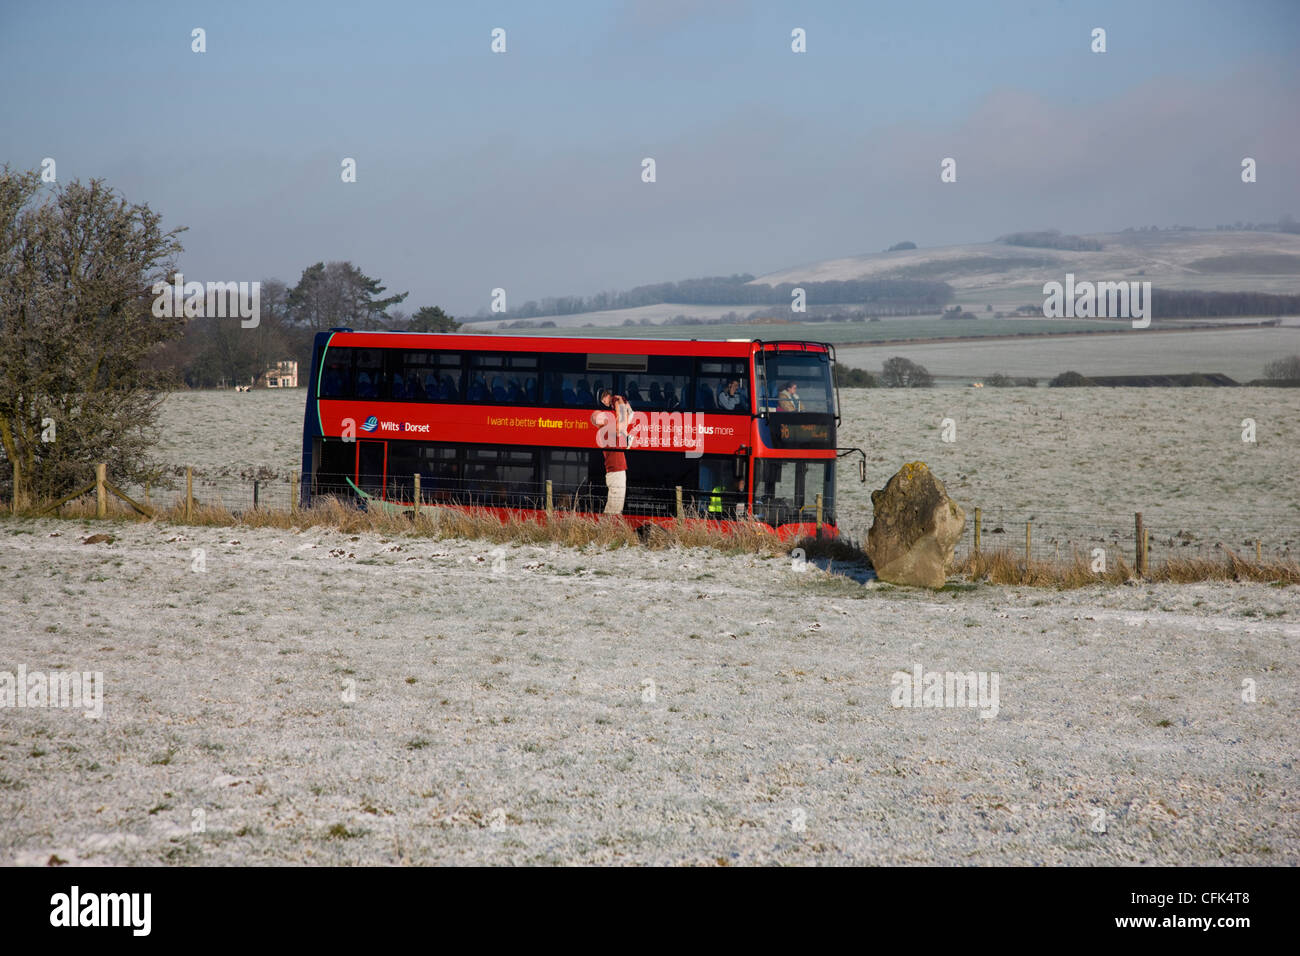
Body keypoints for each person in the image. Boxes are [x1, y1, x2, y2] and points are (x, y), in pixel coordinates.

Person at [593, 388, 632, 515]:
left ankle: (607, 529)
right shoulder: (608, 431)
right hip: (616, 472)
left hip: (615, 472)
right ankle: (607, 530)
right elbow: (621, 422)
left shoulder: (605, 432)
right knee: (614, 509)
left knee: (613, 507)